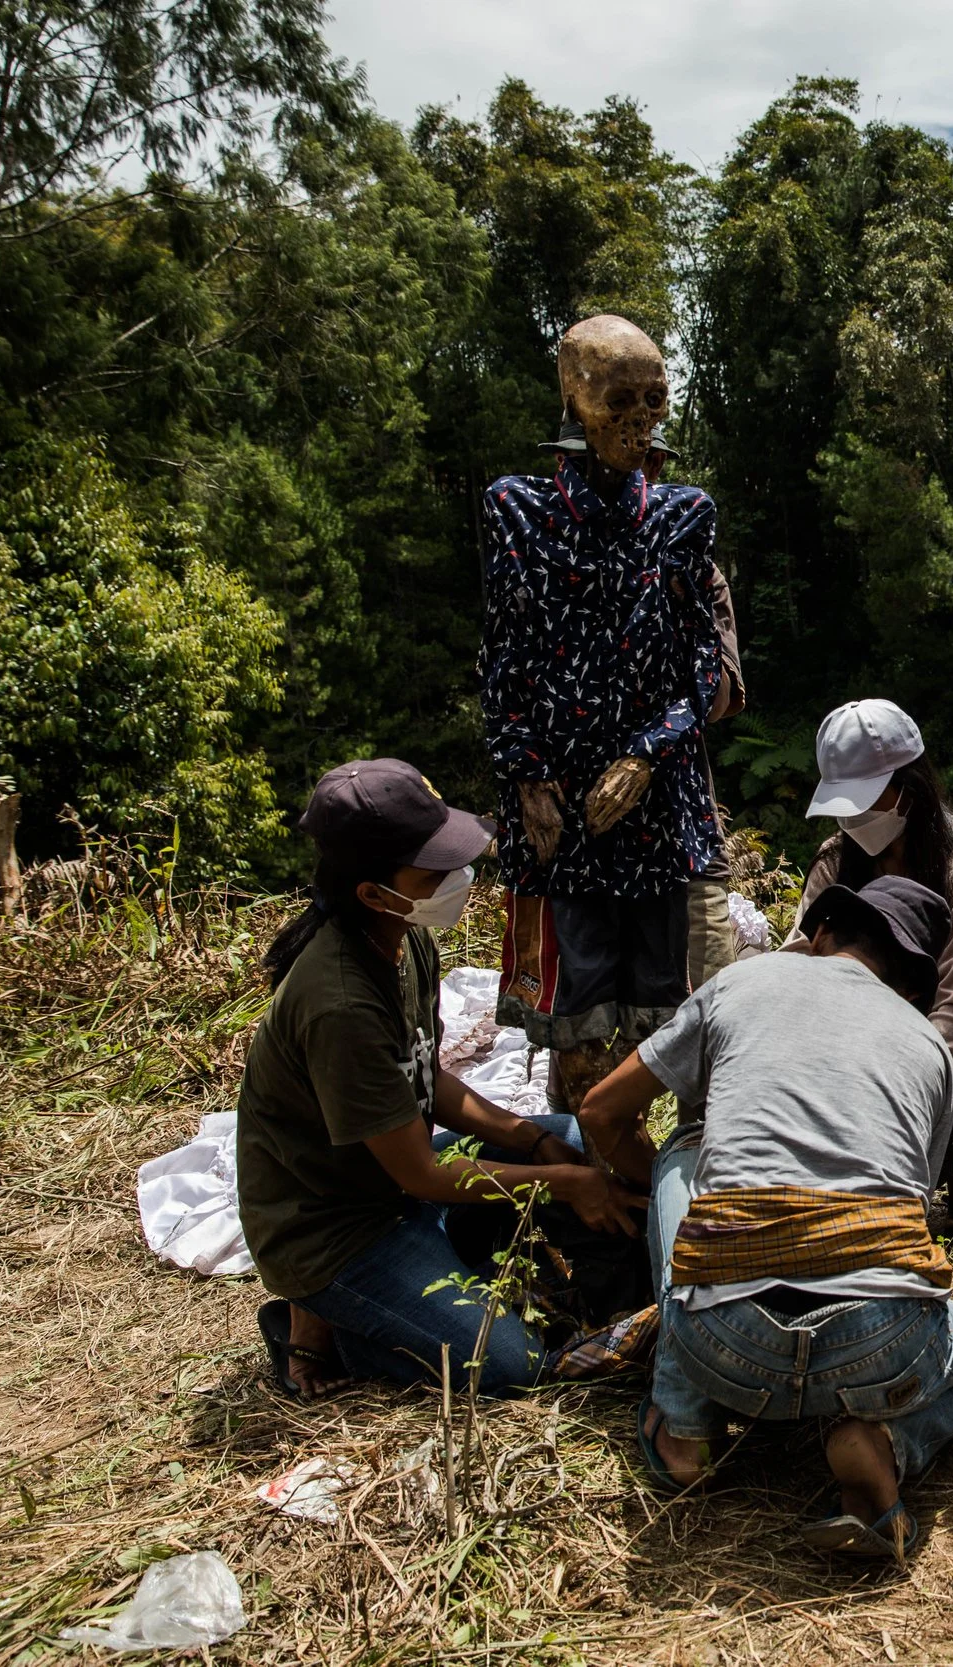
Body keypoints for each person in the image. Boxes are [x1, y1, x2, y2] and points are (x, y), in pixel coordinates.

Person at [578, 876, 953, 1565]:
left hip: (723, 1339)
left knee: (688, 1147)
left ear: (821, 934)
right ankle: (887, 1447)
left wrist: (654, 1191)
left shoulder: (744, 981)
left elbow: (600, 1110)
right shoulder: (929, 1047)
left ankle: (683, 1422)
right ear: (912, 985)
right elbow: (909, 1212)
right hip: (881, 1341)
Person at [238, 759, 642, 1399]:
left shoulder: (403, 935)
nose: (457, 879)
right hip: (340, 1230)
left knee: (562, 1132)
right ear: (372, 890)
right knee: (516, 1367)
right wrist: (562, 1183)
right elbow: (420, 1174)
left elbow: (424, 1076)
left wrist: (535, 1146)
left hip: (394, 1178)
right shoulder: (338, 1001)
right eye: (433, 872)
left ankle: (450, 1265)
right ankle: (324, 1322)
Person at [479, 315, 727, 1115]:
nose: (639, 420)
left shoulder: (683, 514)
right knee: (575, 1007)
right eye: (618, 399)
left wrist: (648, 753)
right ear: (574, 398)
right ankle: (585, 1178)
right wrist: (526, 774)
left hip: (649, 800)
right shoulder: (517, 509)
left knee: (660, 1004)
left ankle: (656, 1171)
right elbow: (503, 654)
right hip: (560, 802)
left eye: (653, 400)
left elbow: (701, 665)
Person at [788, 698, 953, 1243]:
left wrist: (876, 1090)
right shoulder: (836, 862)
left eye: (866, 802)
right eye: (843, 806)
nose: (854, 820)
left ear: (909, 788)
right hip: (851, 1065)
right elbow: (796, 965)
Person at [645, 422, 752, 993]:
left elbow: (718, 702)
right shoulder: (559, 562)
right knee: (595, 1029)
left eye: (647, 467)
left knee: (715, 1008)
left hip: (683, 822)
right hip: (591, 847)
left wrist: (680, 603)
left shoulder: (699, 575)